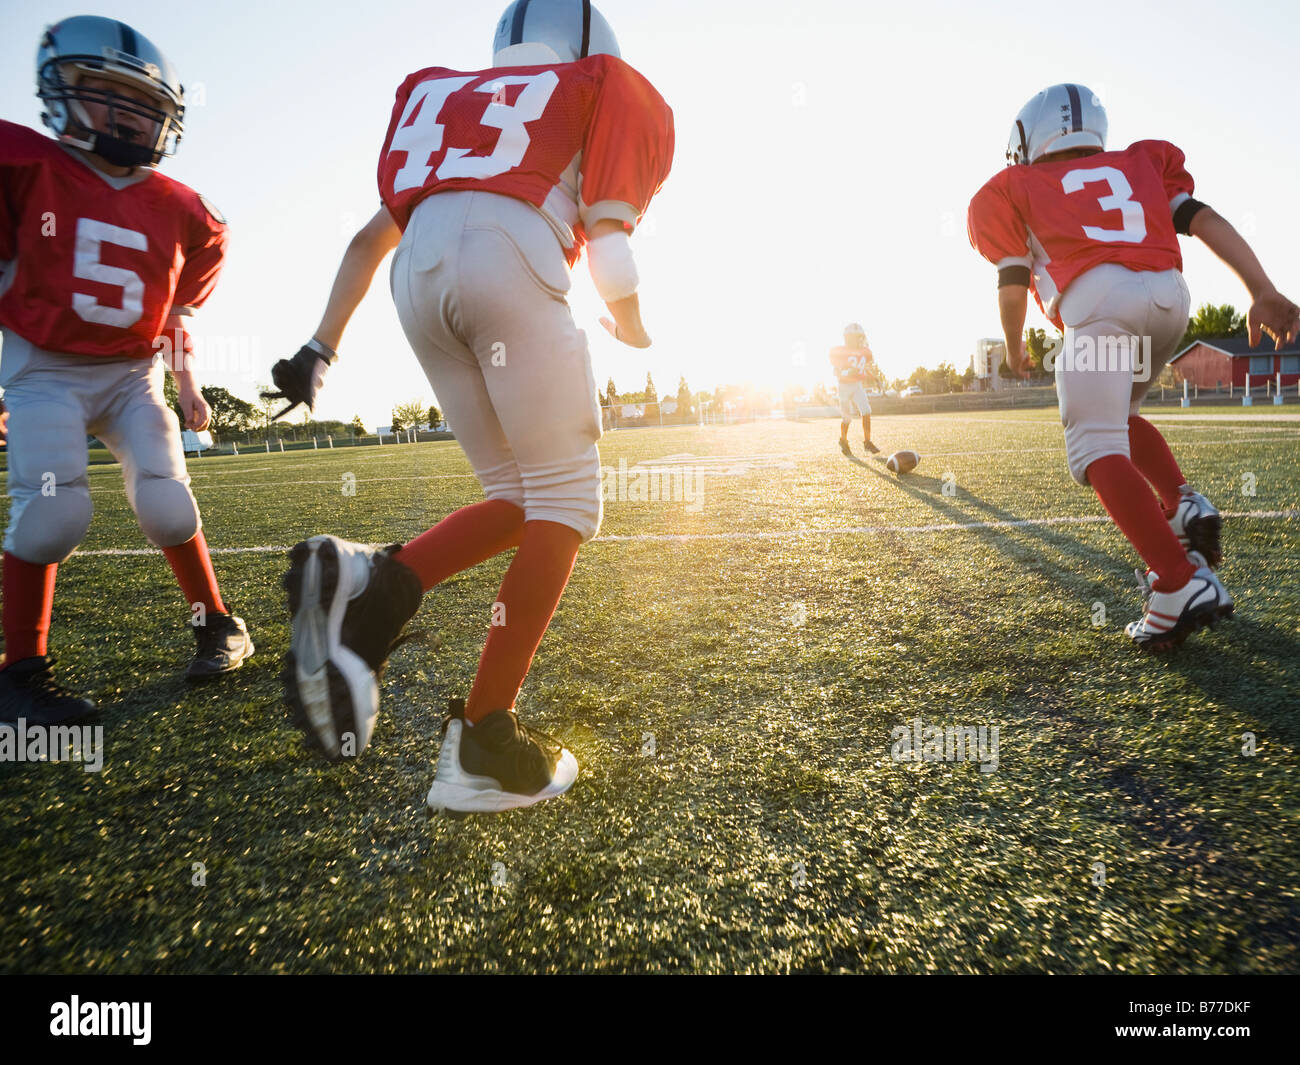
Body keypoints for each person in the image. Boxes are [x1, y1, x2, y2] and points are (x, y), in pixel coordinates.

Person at [267, 0, 673, 813]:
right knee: (568, 499)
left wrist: (319, 348)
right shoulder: (597, 85)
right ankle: (486, 738)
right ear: (590, 46)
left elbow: (367, 240)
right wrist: (631, 324)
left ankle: (372, 586)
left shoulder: (451, 102)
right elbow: (612, 247)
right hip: (510, 252)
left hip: (414, 278)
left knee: (520, 496)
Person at [968, 83, 1299, 652]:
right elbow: (1205, 219)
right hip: (1170, 299)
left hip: (1099, 302)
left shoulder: (1012, 186)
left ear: (1028, 139)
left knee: (1096, 447)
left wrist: (1015, 346)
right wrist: (1261, 288)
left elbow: (1013, 278)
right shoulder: (1141, 164)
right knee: (1120, 417)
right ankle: (1181, 502)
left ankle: (1178, 581)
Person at [0, 16, 253, 727]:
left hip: (133, 375)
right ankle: (20, 672)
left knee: (168, 503)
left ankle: (218, 624)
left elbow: (173, 312)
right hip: (45, 367)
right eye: (106, 93)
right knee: (52, 514)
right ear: (60, 92)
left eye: (144, 102)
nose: (129, 114)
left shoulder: (185, 210)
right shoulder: (23, 166)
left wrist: (188, 383)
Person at [829, 322, 880, 454]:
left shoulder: (864, 352)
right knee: (847, 418)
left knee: (866, 410)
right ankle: (843, 440)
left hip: (857, 385)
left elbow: (862, 368)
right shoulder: (841, 351)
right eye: (856, 337)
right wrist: (846, 372)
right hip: (844, 386)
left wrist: (874, 378)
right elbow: (836, 372)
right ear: (849, 338)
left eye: (859, 337)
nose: (859, 340)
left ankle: (867, 442)